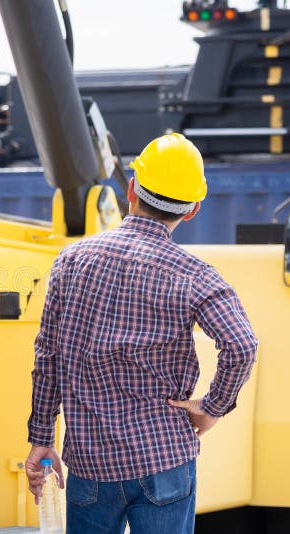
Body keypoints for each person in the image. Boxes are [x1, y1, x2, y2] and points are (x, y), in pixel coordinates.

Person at [25, 133, 258, 534]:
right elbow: (242, 345)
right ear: (193, 209)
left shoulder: (71, 261)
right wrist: (212, 407)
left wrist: (42, 437)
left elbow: (48, 356)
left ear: (131, 189)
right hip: (163, 458)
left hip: (90, 463)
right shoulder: (195, 276)